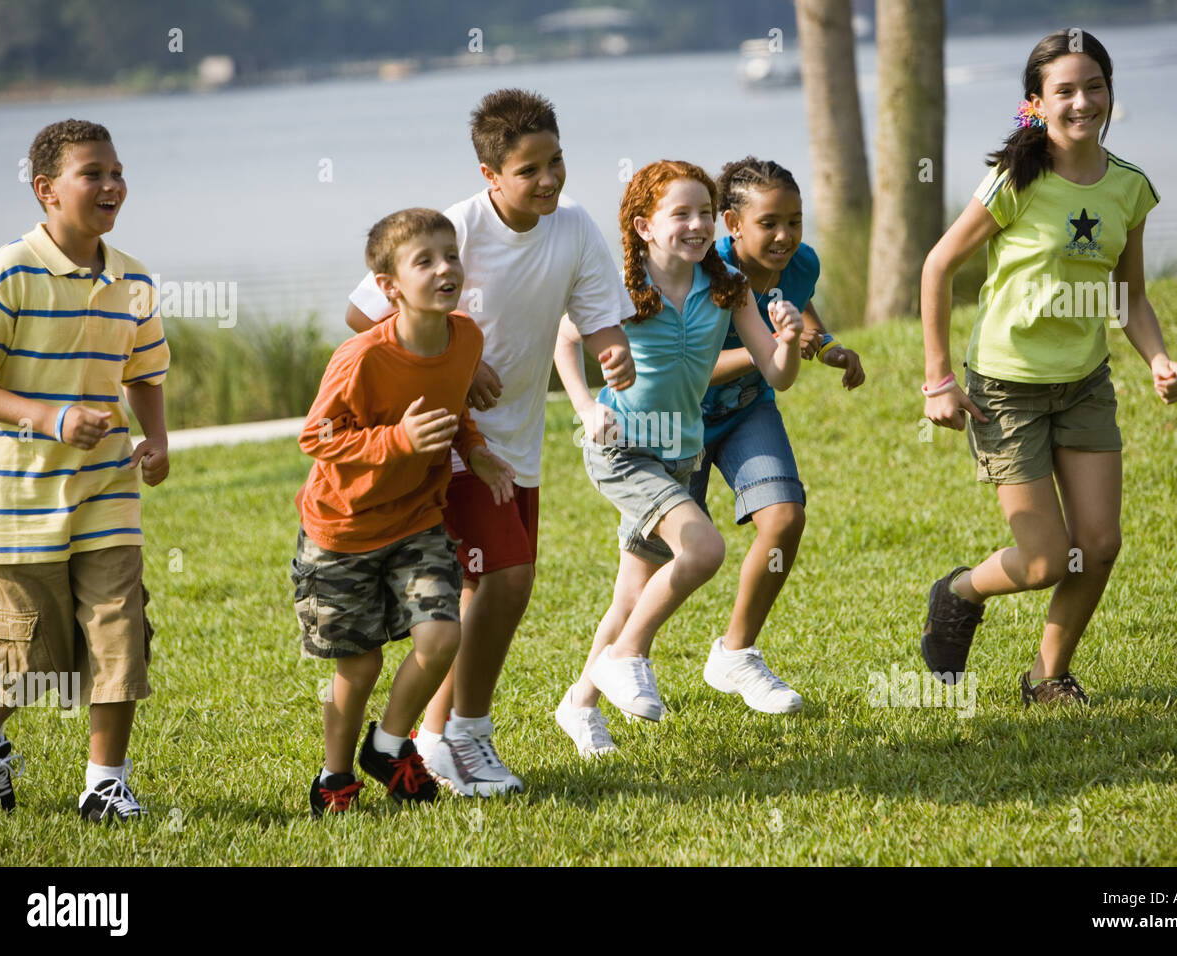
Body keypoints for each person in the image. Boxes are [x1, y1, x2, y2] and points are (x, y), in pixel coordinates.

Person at [344, 90, 635, 794]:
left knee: (500, 590)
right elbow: (362, 312)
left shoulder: (574, 230)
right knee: (502, 581)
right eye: (529, 168)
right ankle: (453, 738)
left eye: (556, 161)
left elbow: (599, 317)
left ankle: (441, 734)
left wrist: (613, 350)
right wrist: (461, 365)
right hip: (451, 444)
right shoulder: (455, 231)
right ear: (489, 174)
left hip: (519, 447)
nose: (549, 179)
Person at [919, 30, 1177, 705]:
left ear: (1109, 92)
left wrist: (1158, 357)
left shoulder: (1130, 189)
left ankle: (1047, 676)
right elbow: (938, 265)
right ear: (1036, 104)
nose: (1082, 101)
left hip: (1084, 386)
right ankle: (957, 593)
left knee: (1097, 545)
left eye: (1093, 86)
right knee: (1043, 560)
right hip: (1006, 390)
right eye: (1064, 91)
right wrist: (938, 379)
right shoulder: (1017, 180)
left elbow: (1128, 295)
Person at [553, 160, 802, 756]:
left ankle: (580, 704)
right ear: (642, 226)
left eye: (704, 214)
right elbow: (564, 337)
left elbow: (777, 374)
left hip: (679, 456)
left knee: (632, 592)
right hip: (622, 451)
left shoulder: (727, 288)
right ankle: (627, 655)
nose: (697, 226)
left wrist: (789, 341)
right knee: (705, 548)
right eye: (680, 215)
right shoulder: (617, 287)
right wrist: (588, 406)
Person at [0, 119, 170, 820]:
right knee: (31, 663)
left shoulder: (134, 278)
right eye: (94, 173)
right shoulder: (7, 273)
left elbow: (145, 372)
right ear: (46, 190)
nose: (113, 185)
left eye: (117, 171)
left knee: (121, 633)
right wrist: (52, 418)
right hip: (16, 500)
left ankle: (105, 783)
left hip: (107, 491)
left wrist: (155, 440)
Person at [296, 208, 515, 816]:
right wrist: (396, 441)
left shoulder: (464, 336)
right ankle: (335, 779)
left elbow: (454, 412)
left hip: (417, 519)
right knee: (359, 666)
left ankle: (390, 746)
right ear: (389, 286)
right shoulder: (362, 356)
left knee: (442, 635)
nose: (445, 268)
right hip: (342, 532)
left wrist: (477, 452)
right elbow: (315, 437)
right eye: (426, 261)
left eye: (451, 255)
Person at [686, 156, 866, 715]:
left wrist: (825, 343)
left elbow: (798, 307)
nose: (785, 236)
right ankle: (599, 682)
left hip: (746, 413)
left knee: (785, 517)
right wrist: (766, 352)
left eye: (795, 220)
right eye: (769, 223)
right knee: (663, 562)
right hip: (679, 420)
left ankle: (736, 653)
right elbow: (685, 365)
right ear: (732, 224)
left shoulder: (800, 262)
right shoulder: (699, 273)